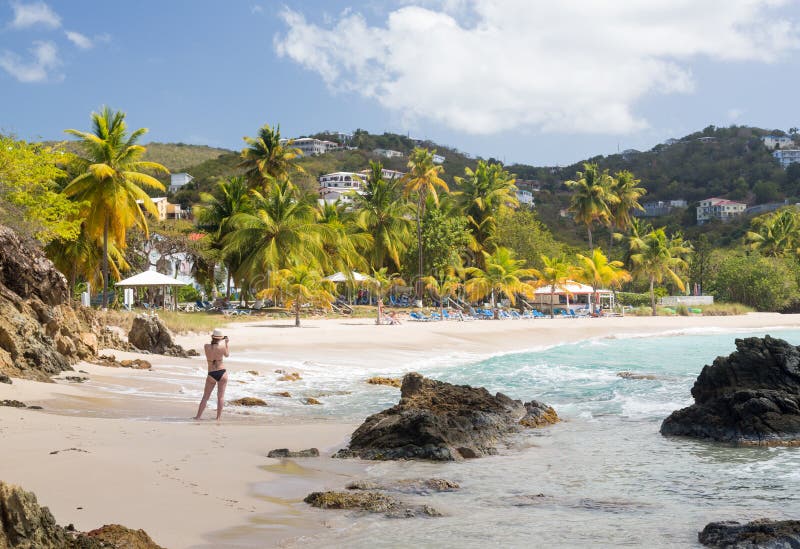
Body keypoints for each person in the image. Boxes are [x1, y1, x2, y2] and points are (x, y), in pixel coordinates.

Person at [194, 328, 229, 420]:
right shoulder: (222, 347)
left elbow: (213, 347)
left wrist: (221, 341)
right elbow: (227, 355)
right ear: (221, 338)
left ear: (212, 337)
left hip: (211, 373)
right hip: (222, 372)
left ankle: (198, 416)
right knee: (220, 396)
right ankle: (218, 417)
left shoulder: (206, 346)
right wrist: (226, 343)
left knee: (205, 397)